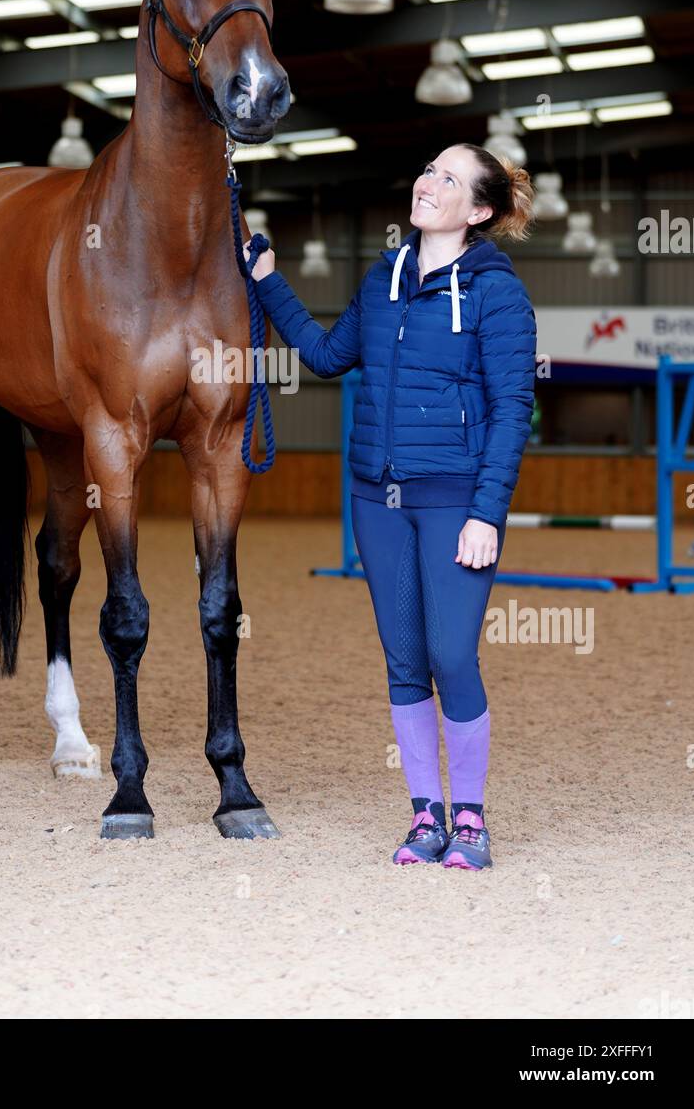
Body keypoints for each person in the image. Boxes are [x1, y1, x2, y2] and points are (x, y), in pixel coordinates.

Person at [244, 145, 536, 870]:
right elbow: (324, 355)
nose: (426, 182)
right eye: (427, 170)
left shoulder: (499, 294)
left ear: (478, 210)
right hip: (376, 498)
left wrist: (486, 515)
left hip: (454, 501)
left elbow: (512, 411)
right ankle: (425, 817)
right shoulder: (387, 279)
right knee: (404, 661)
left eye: (447, 178)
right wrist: (268, 284)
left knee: (450, 655)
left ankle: (470, 819)